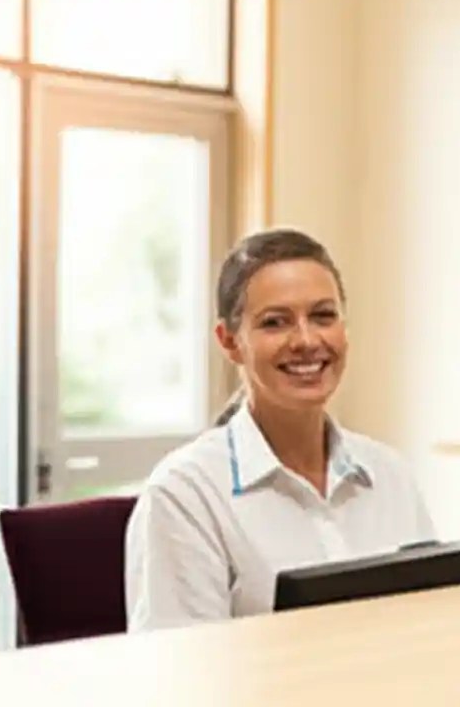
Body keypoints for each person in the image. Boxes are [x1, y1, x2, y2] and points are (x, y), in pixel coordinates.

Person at [124, 227, 436, 632]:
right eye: (275, 322)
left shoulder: (391, 475)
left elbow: (426, 625)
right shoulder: (185, 494)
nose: (306, 340)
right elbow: (180, 666)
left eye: (323, 316)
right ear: (230, 342)